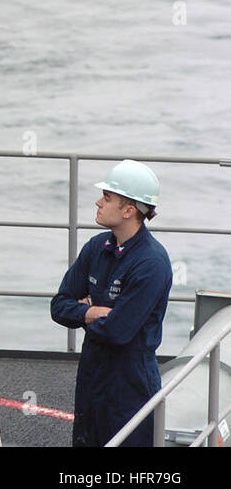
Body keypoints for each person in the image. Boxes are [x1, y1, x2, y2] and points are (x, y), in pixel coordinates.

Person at [51, 160, 170, 447]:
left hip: (130, 382)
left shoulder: (151, 263)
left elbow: (118, 332)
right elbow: (59, 306)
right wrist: (92, 312)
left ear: (129, 210)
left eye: (106, 197)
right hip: (92, 373)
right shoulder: (96, 247)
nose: (98, 202)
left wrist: (82, 314)